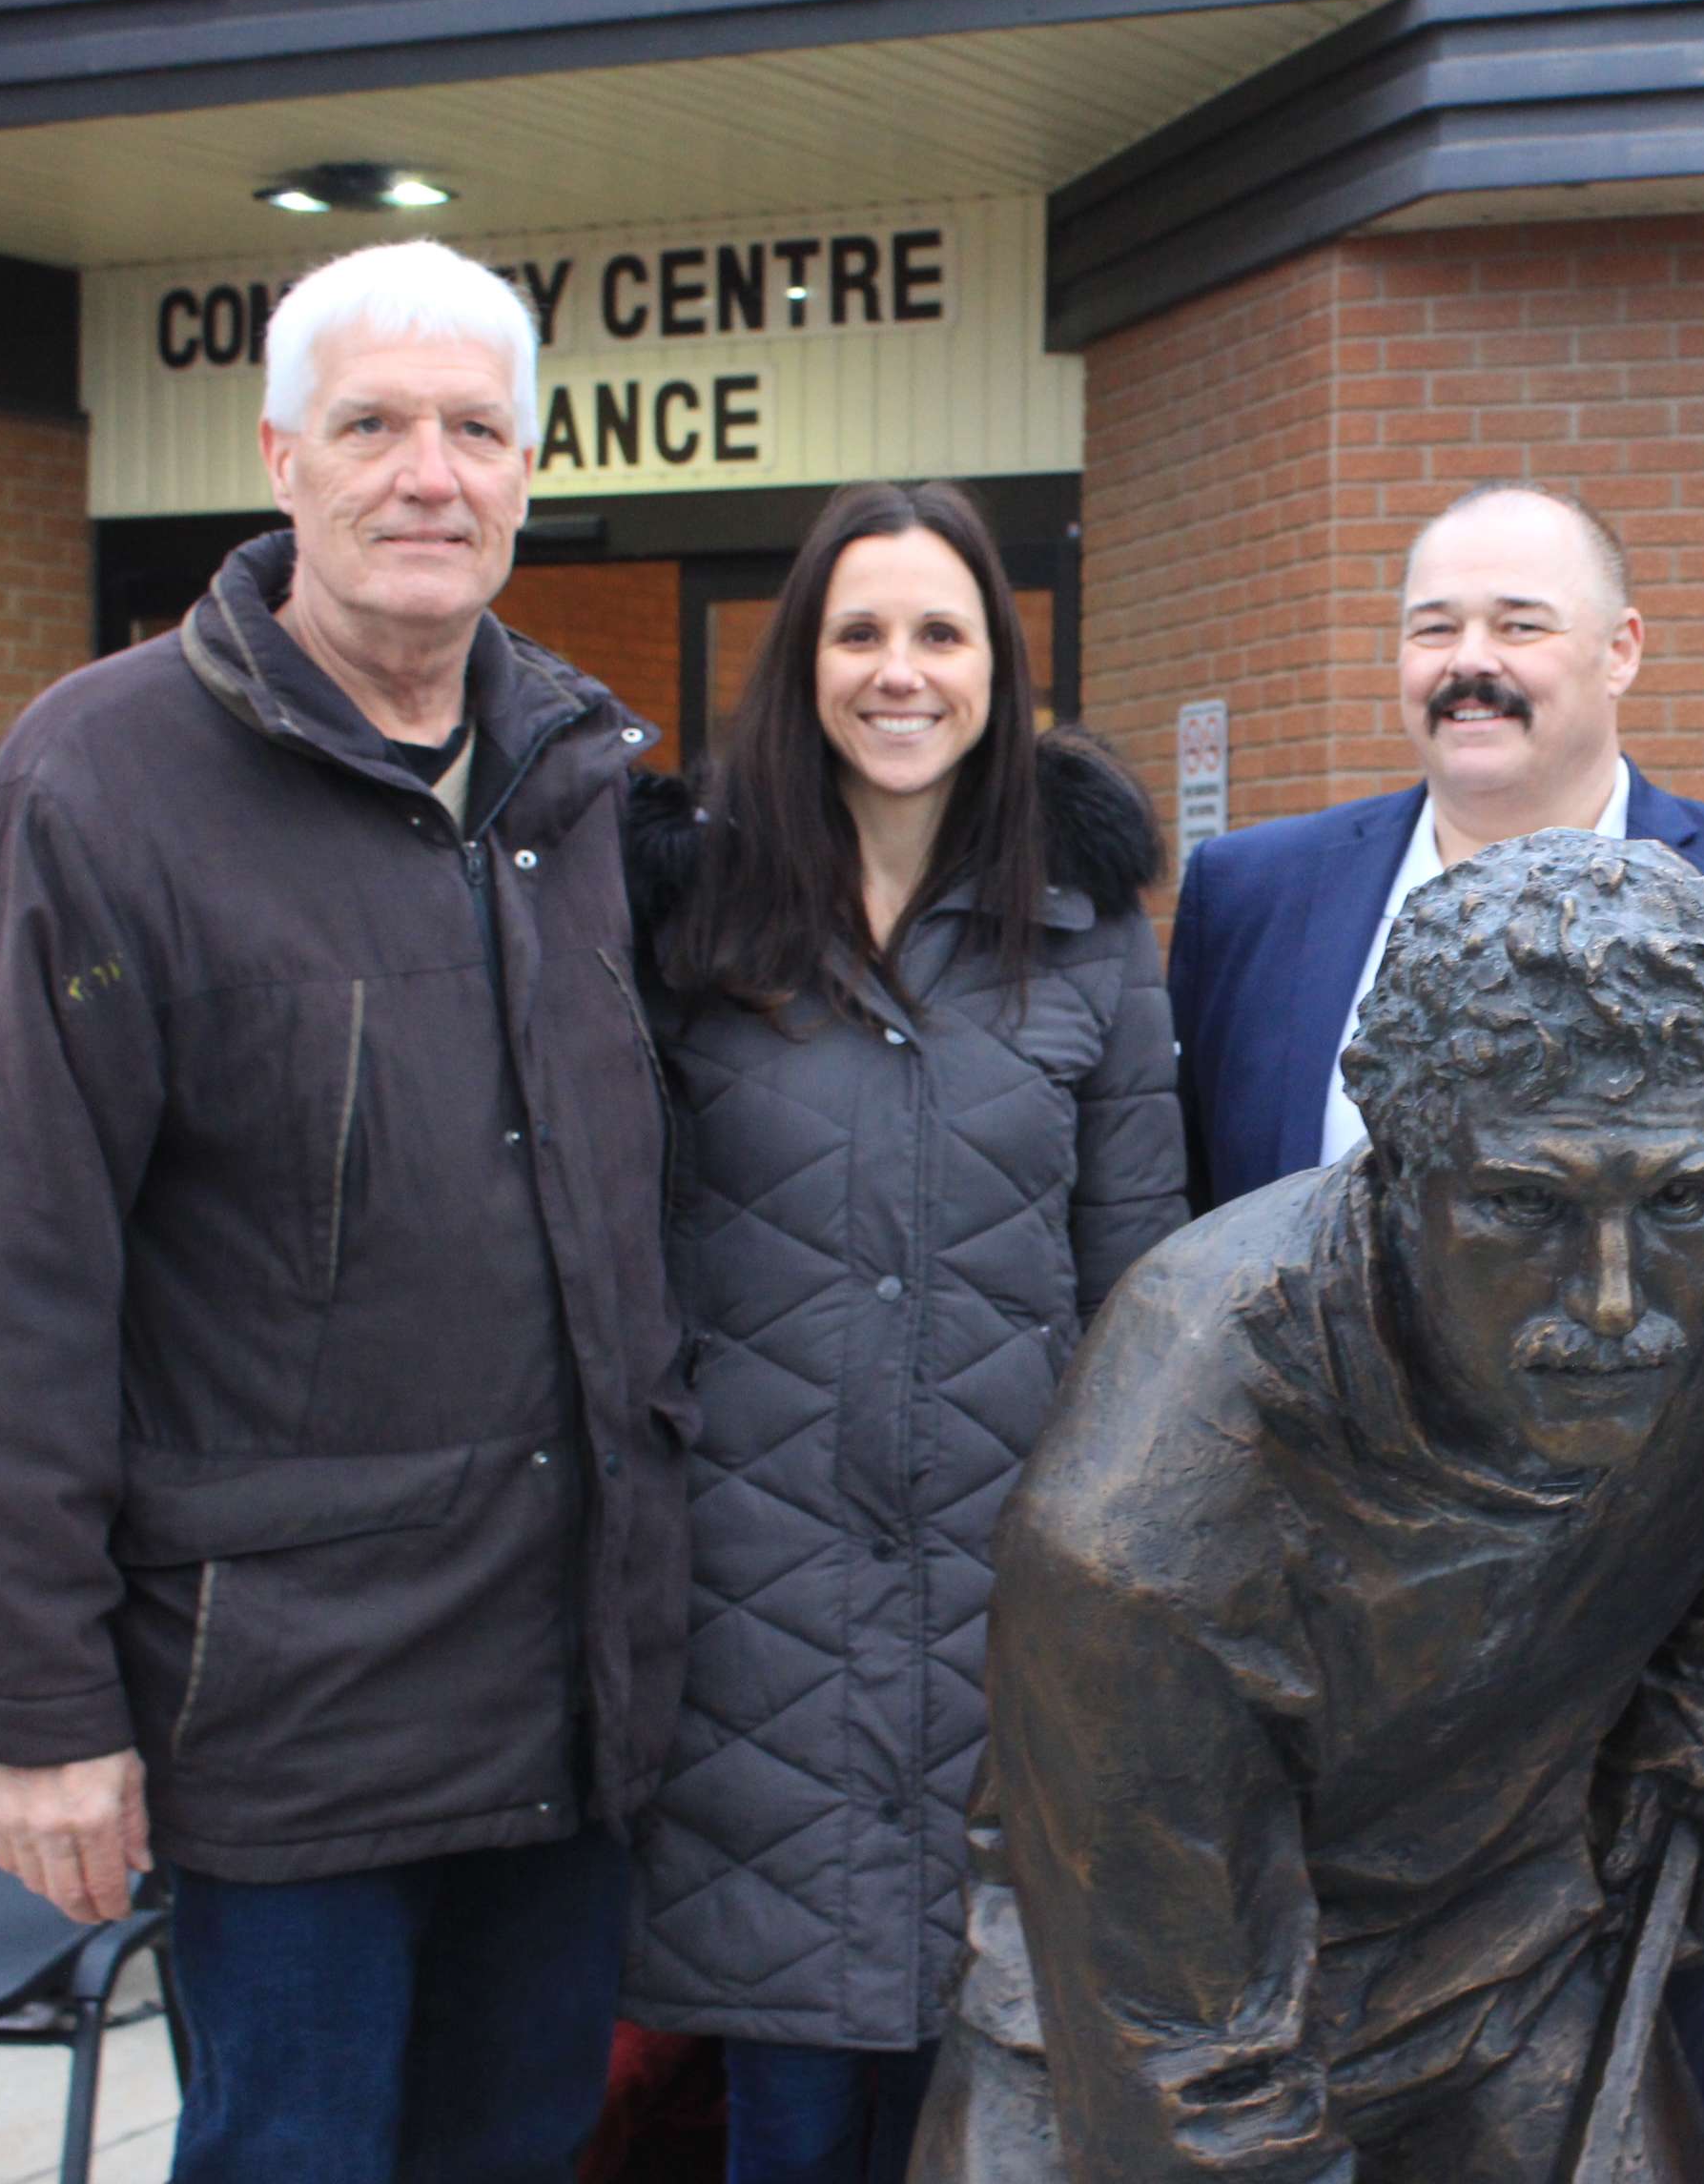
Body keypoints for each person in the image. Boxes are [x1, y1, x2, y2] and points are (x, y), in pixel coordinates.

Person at [0, 238, 688, 2184]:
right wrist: (44, 1711)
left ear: (530, 464)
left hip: (565, 1704)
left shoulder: (571, 786)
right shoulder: (97, 785)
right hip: (285, 1729)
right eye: (376, 425)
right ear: (280, 457)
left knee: (519, 2148)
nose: (432, 472)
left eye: (477, 429)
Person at [912, 832, 1704, 2184]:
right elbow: (1193, 2093)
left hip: (1508, 1938)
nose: (1617, 1305)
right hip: (1151, 2008)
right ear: (1398, 1174)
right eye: (1523, 1205)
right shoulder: (1152, 1517)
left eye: (1680, 1202)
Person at [1163, 480, 1704, 2182]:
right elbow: (1201, 1225)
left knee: (1651, 2076)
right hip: (1328, 1647)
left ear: (1621, 652)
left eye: (1518, 627)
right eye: (1434, 628)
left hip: (1651, 1620)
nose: (1469, 666)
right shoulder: (1255, 894)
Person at [617, 480, 1187, 2184]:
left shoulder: (1089, 936)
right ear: (801, 666)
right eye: (859, 632)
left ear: (1001, 674)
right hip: (754, 1621)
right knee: (785, 2113)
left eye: (942, 633)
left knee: (986, 2105)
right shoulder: (686, 925)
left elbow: (1140, 1283)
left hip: (1006, 1612)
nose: (900, 671)